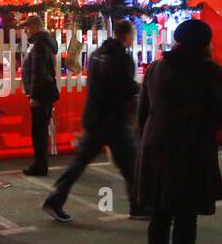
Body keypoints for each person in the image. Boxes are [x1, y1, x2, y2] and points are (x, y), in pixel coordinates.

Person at [136, 18, 222, 244]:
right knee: (185, 216)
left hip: (156, 145)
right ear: (205, 43)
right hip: (191, 149)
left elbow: (143, 110)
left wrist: (146, 138)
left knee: (160, 213)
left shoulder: (157, 67)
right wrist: (209, 125)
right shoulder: (207, 69)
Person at [42, 20, 146, 221]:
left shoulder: (97, 55)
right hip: (115, 120)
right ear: (127, 35)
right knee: (130, 164)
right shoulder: (122, 59)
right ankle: (138, 206)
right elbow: (124, 88)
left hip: (94, 117)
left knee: (79, 162)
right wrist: (137, 90)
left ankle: (55, 199)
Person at [20, 15, 59, 176]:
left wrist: (34, 95)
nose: (26, 31)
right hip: (45, 92)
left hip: (41, 94)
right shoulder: (42, 43)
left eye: (28, 27)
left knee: (39, 131)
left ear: (35, 26)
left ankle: (40, 165)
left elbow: (38, 72)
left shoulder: (40, 44)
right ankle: (40, 163)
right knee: (40, 129)